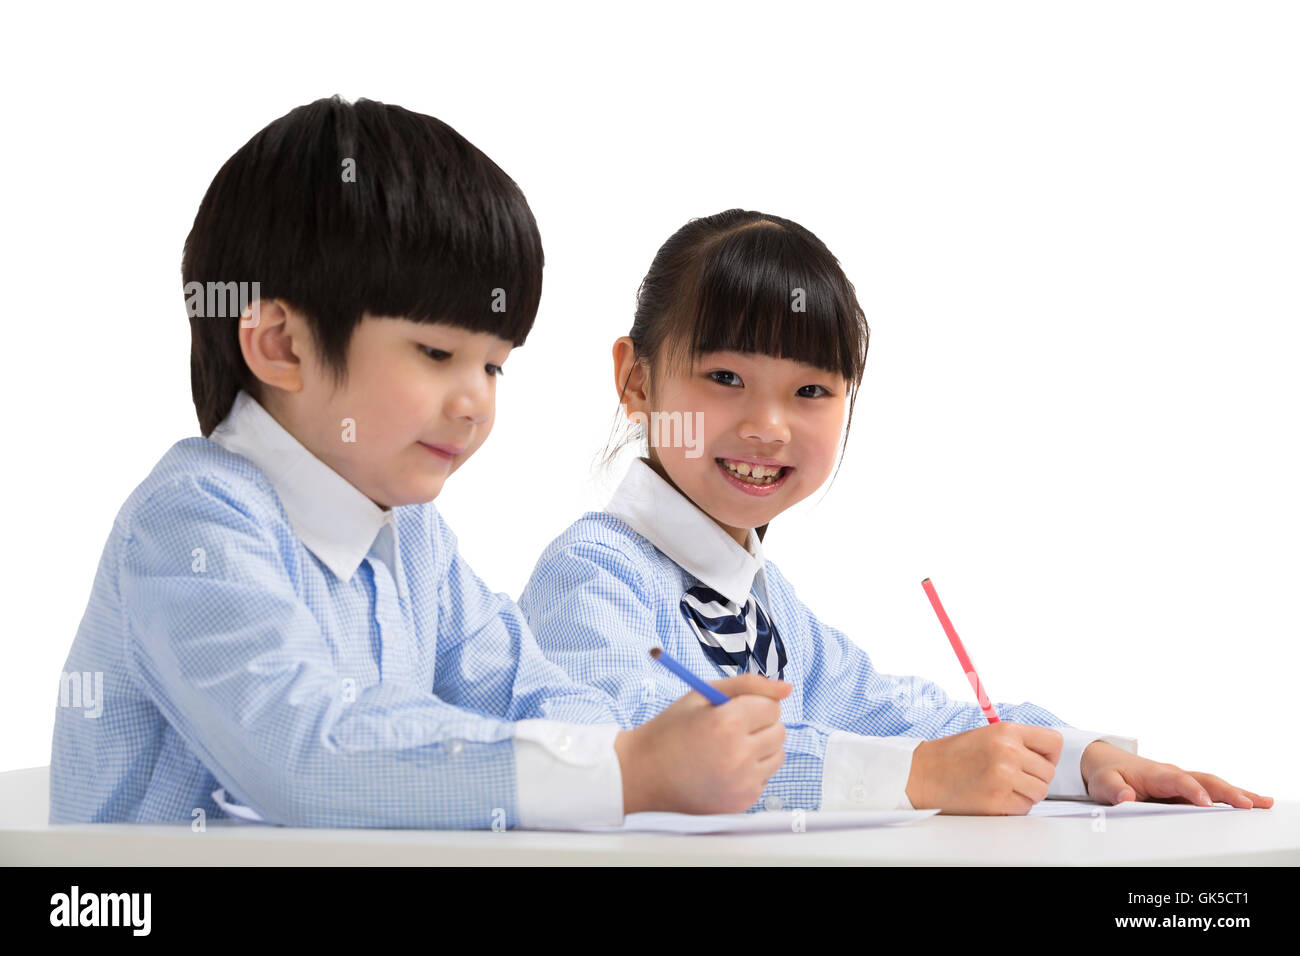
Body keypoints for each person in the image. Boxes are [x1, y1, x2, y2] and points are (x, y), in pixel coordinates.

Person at [49, 101, 790, 829]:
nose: (475, 403)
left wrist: (631, 749)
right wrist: (622, 770)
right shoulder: (192, 520)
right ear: (281, 345)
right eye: (437, 354)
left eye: (495, 367)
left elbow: (525, 689)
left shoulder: (413, 538)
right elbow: (311, 754)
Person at [517, 208, 1272, 814]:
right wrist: (917, 776)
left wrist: (1081, 757)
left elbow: (892, 712)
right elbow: (648, 744)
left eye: (810, 391)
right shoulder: (592, 575)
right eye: (725, 376)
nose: (768, 426)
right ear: (637, 381)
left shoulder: (769, 602)